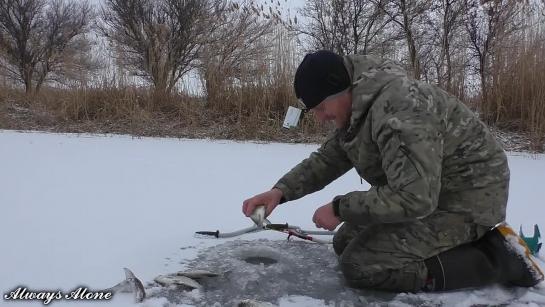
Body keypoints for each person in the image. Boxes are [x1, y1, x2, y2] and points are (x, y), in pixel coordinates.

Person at [242, 50, 544, 292]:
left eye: (321, 107)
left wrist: (341, 207)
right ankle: (447, 244)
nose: (320, 118)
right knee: (344, 242)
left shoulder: (398, 112)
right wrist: (280, 192)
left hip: (466, 200)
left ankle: (497, 257)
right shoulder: (361, 106)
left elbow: (416, 198)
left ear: (339, 89)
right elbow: (330, 158)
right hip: (432, 191)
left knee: (362, 266)